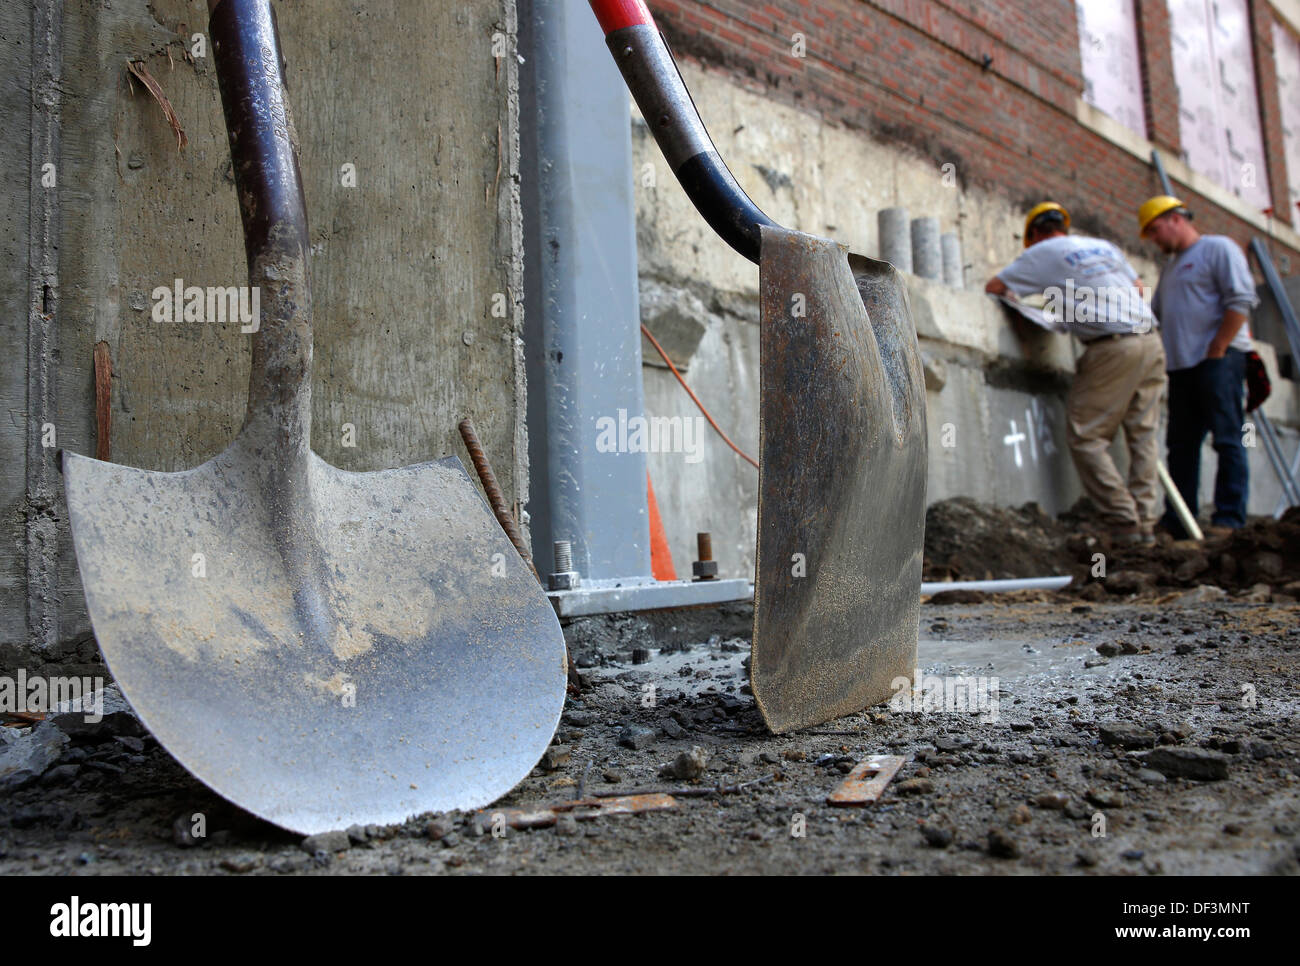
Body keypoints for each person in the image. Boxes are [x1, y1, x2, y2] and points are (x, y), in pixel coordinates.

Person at [986, 202, 1166, 544]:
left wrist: (1044, 307)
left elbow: (994, 287)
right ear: (1062, 226)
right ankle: (1145, 522)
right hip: (1151, 340)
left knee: (1086, 437)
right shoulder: (1103, 246)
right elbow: (1140, 290)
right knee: (1143, 434)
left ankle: (1122, 518)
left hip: (1113, 345)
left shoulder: (1040, 253)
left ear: (1034, 235)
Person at [1138, 195, 1257, 536]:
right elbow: (1156, 315)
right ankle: (1179, 519)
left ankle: (1229, 518)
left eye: (1156, 231)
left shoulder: (1219, 249)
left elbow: (1241, 301)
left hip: (1218, 362)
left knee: (1228, 440)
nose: (1155, 240)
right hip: (1182, 369)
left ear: (1177, 219)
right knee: (1181, 446)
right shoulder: (1172, 268)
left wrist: (1218, 347)